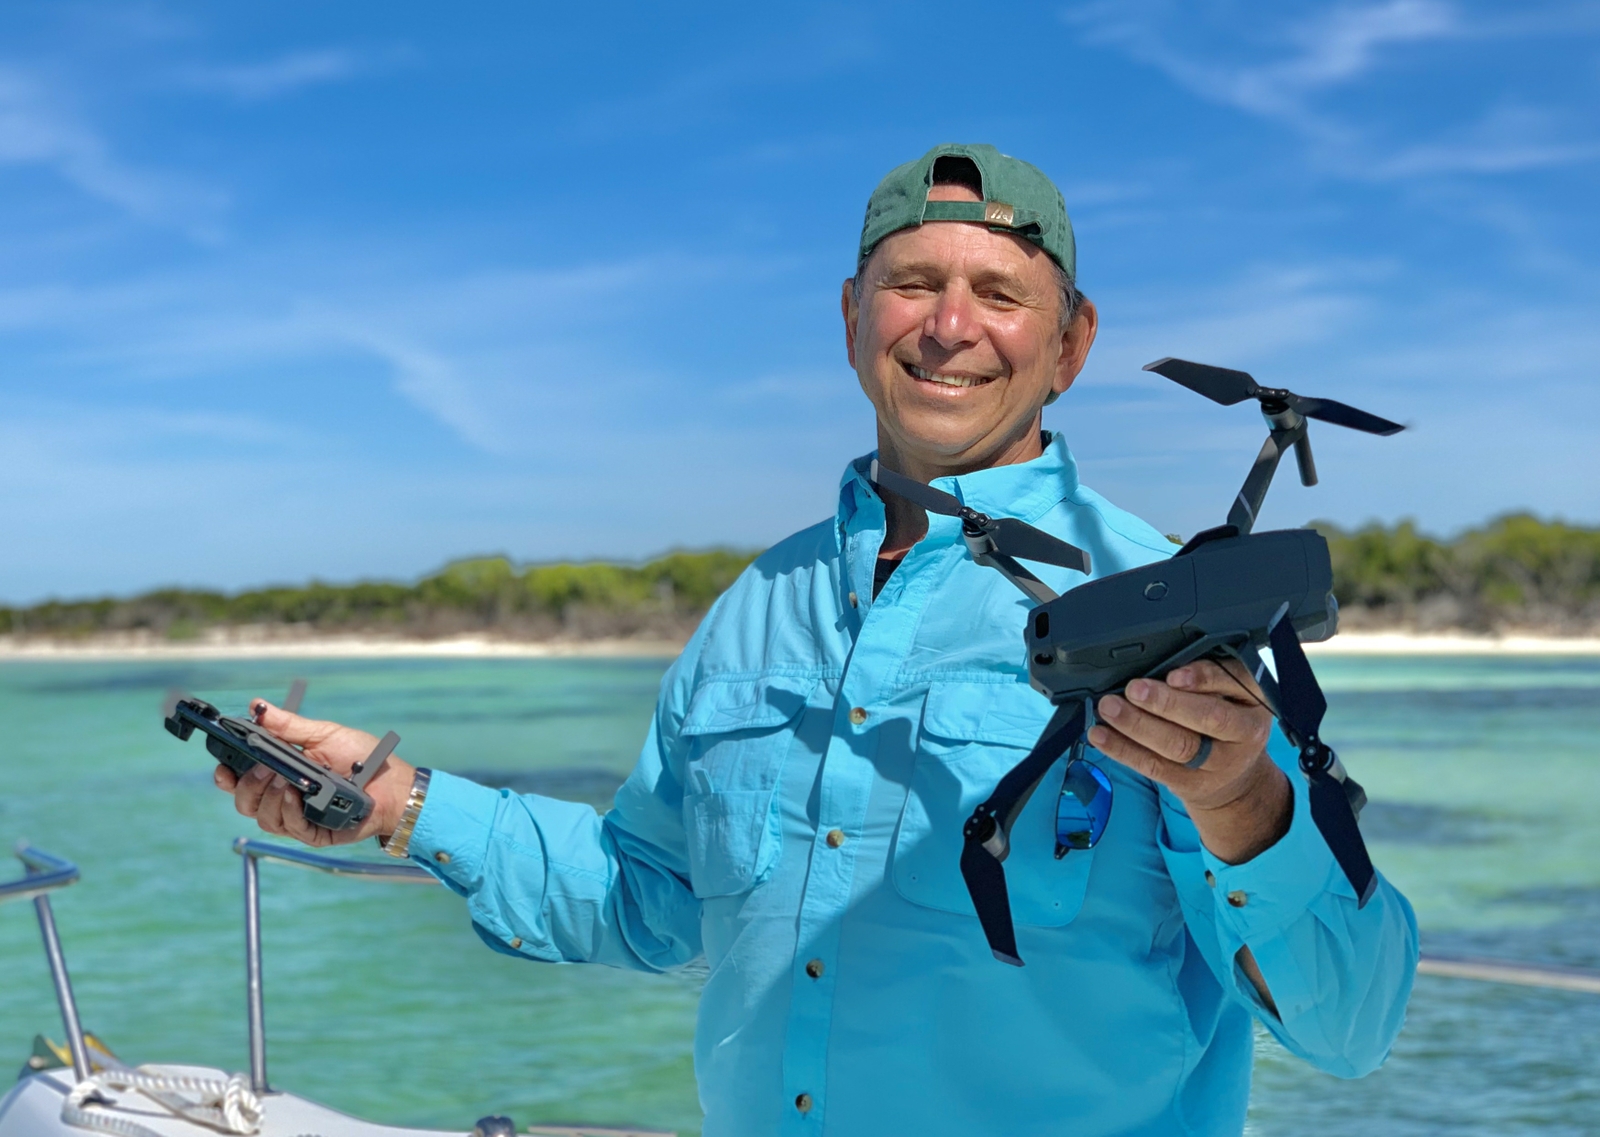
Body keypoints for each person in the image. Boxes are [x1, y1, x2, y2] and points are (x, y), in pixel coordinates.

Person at [218, 143, 1418, 1136]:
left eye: (1001, 295)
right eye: (912, 285)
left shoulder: (1167, 606)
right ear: (852, 320)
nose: (951, 326)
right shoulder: (753, 606)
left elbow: (1350, 1028)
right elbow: (649, 899)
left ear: (1071, 345)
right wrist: (396, 802)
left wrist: (1244, 804)